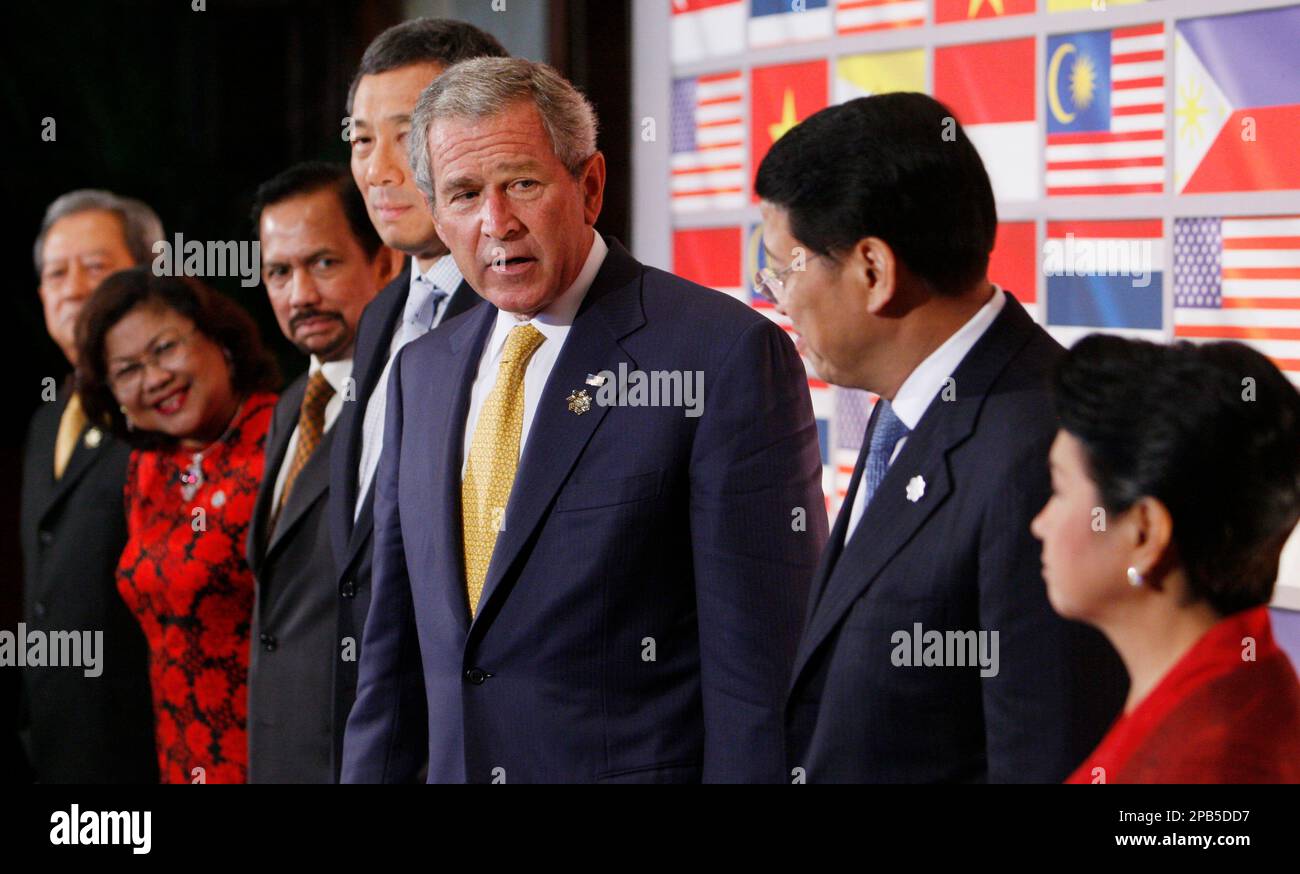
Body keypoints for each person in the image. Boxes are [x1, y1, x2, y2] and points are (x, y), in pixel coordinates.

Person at [341, 57, 827, 783]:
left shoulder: (720, 356)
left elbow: (758, 681)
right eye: (465, 194)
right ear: (437, 215)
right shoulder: (422, 373)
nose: (495, 222)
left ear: (590, 185)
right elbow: (390, 667)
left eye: (523, 184)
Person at [759, 93, 1128, 783]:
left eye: (784, 268)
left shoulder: (1047, 455)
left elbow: (1044, 755)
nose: (775, 296)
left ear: (873, 270)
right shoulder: (908, 401)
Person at [327, 19, 506, 775]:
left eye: (407, 134)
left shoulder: (524, 319)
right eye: (362, 139)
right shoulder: (377, 319)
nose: (377, 168)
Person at [1032, 335, 1300, 783]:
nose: (1039, 523)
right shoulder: (1237, 684)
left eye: (1059, 491)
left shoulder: (1203, 761)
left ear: (1145, 532)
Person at [75, 269, 279, 784]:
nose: (154, 378)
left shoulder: (286, 440)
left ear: (219, 338)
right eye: (127, 370)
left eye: (165, 348)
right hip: (180, 761)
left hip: (279, 757)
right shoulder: (147, 468)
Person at [245, 163, 397, 782]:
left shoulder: (411, 397)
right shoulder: (288, 407)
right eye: (279, 272)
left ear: (384, 263)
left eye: (323, 264)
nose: (299, 294)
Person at [19, 190, 162, 783]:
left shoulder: (168, 410)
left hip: (143, 757)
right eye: (57, 273)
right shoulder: (48, 418)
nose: (75, 288)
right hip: (54, 751)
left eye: (96, 267)